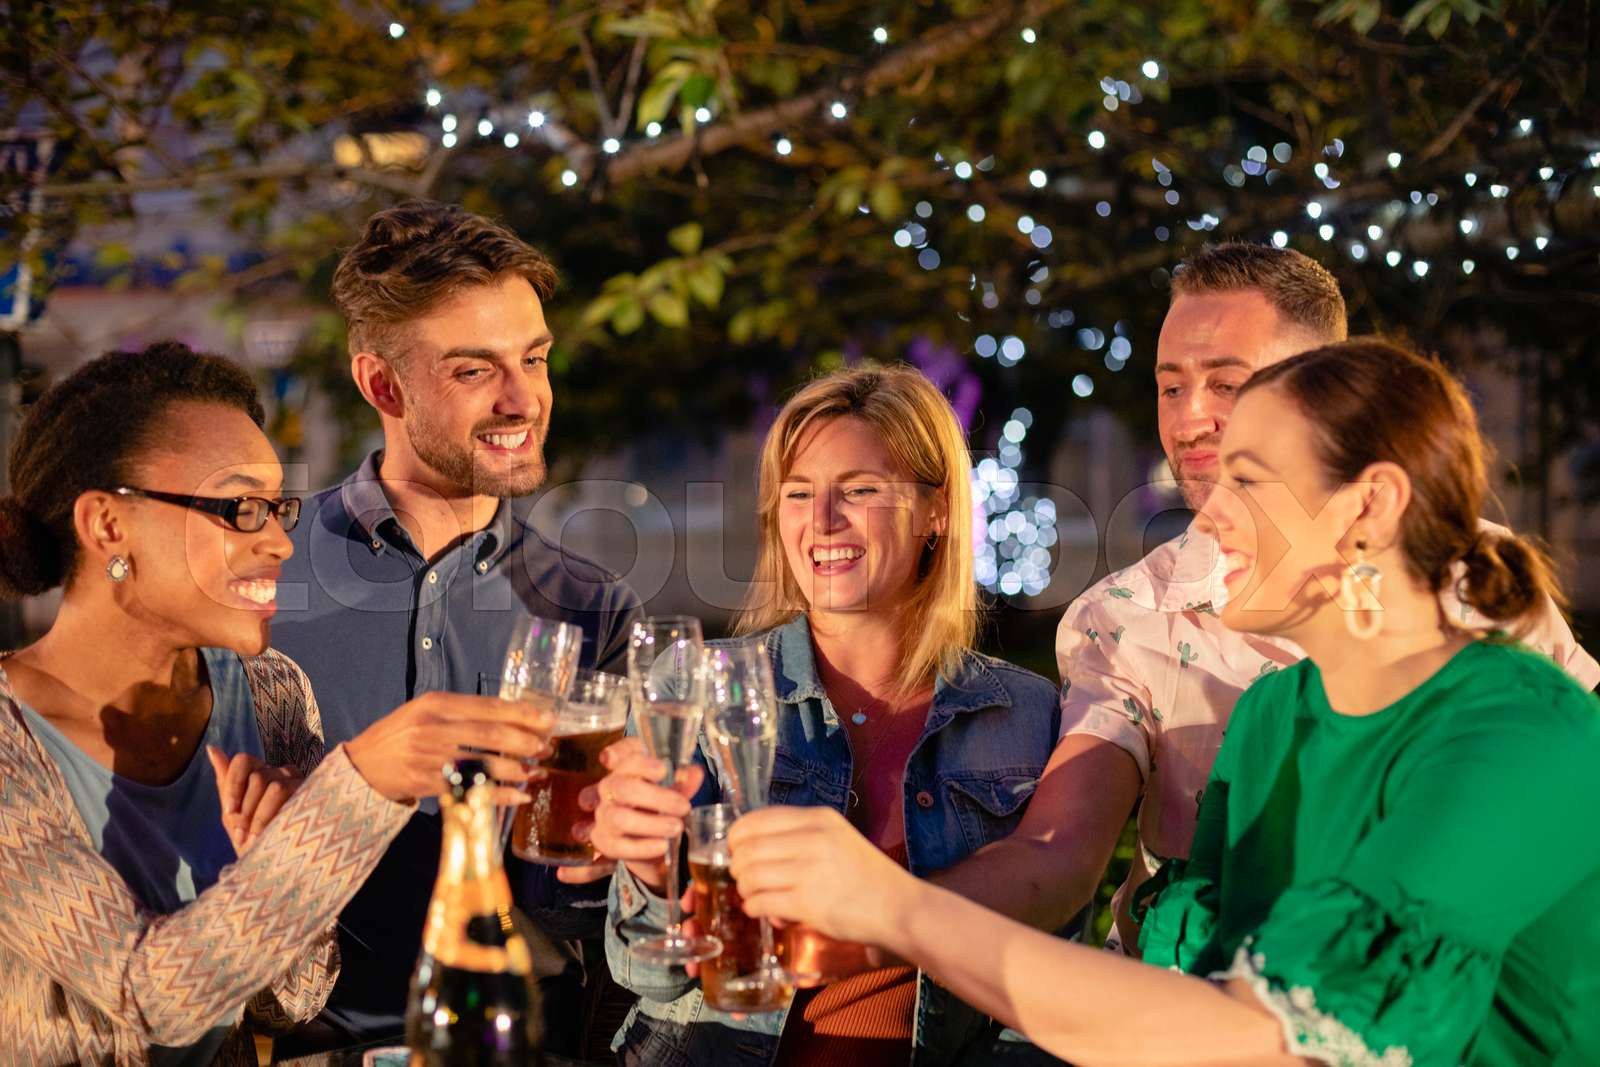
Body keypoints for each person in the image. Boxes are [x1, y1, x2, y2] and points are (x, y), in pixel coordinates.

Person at [727, 339, 1600, 1066]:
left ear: (1369, 505)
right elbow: (1187, 988)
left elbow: (1264, 1033)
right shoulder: (1273, 717)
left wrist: (891, 907)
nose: (1208, 517)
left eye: (1248, 481)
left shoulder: (1517, 734)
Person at [933, 242, 1598, 954]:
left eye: (1228, 385)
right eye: (1170, 387)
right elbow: (1076, 863)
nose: (1190, 421)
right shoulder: (1149, 635)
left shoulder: (1481, 597)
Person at [0, 342, 552, 1064]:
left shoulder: (270, 691)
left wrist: (268, 860)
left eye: (276, 507)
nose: (280, 543)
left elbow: (290, 997)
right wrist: (356, 788)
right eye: (242, 508)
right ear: (108, 525)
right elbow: (145, 998)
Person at [589, 363, 1065, 1066]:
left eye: (861, 490)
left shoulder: (1026, 710)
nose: (821, 521)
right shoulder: (698, 683)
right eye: (799, 493)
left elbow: (1044, 985)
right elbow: (646, 973)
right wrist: (652, 873)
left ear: (938, 511)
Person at [268, 200, 642, 1051]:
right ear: (381, 385)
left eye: (535, 359)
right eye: (475, 371)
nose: (524, 399)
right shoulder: (262, 578)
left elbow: (587, 903)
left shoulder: (594, 608)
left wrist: (626, 861)